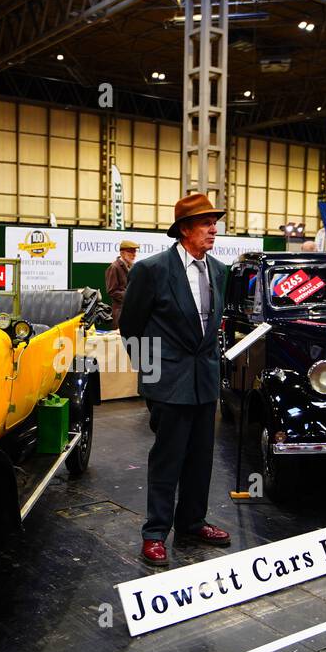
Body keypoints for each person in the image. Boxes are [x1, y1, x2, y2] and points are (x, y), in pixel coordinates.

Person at [119, 193, 232, 567]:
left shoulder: (218, 270)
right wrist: (153, 379)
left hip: (205, 381)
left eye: (214, 222)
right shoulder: (151, 270)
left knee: (201, 458)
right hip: (168, 383)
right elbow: (132, 328)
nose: (214, 229)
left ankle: (191, 522)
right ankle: (154, 533)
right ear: (185, 230)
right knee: (167, 459)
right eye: (205, 223)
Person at [104, 240, 138, 329]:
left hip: (132, 312)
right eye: (130, 252)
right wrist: (131, 297)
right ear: (122, 253)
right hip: (121, 313)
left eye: (135, 252)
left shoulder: (132, 266)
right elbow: (112, 291)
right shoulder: (114, 267)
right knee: (121, 342)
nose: (134, 254)